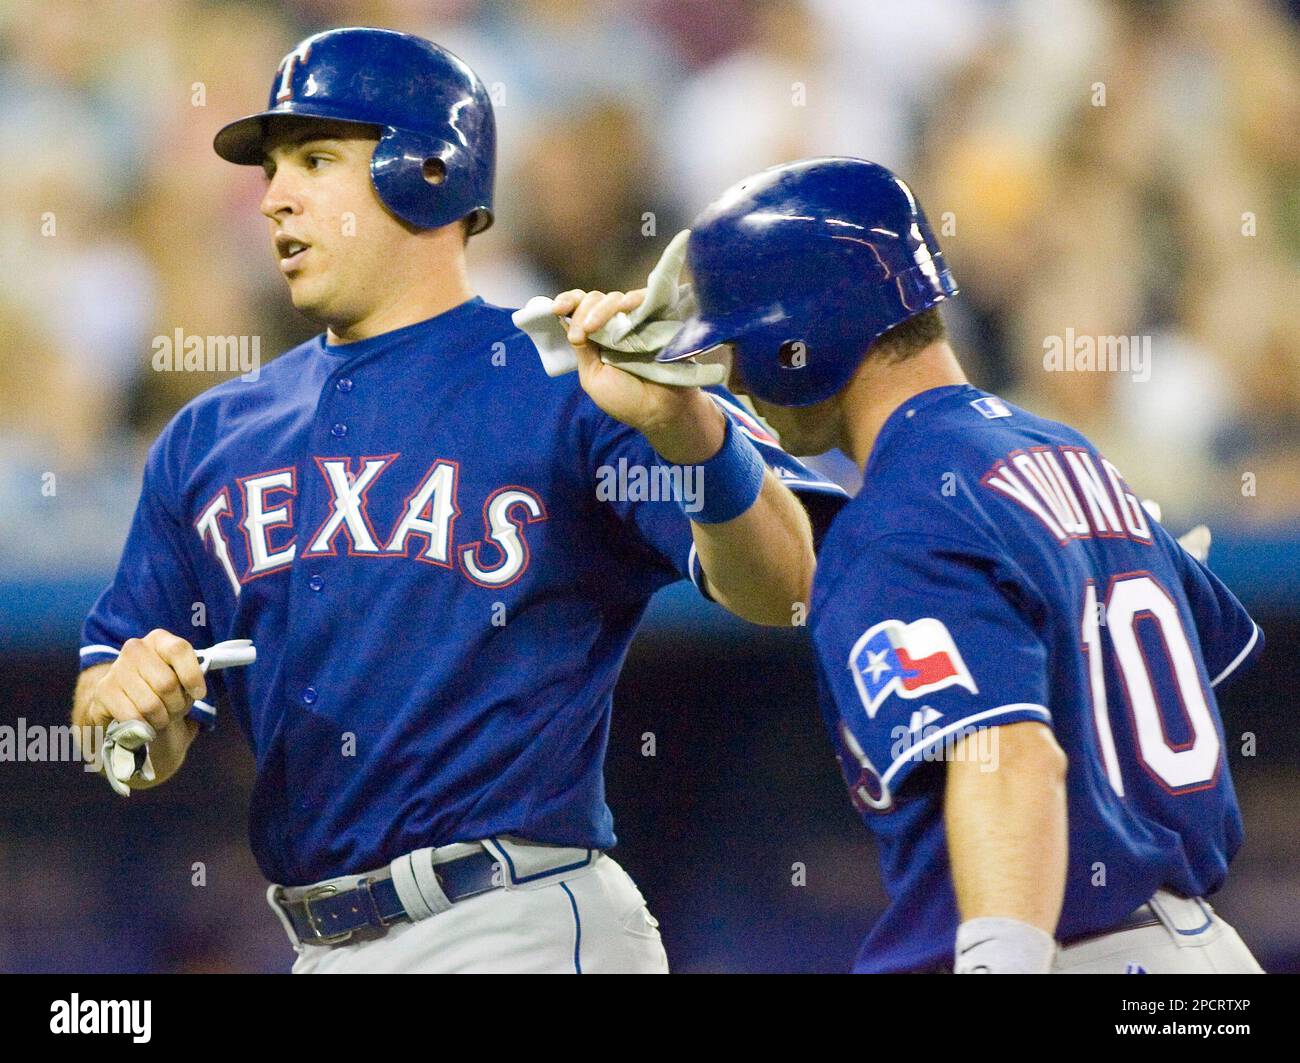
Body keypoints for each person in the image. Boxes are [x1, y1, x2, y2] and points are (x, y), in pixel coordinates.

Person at [70, 28, 845, 974]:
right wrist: (125, 710)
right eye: (274, 167)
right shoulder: (209, 436)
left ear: (425, 172)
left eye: (316, 160)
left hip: (509, 917)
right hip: (317, 943)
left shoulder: (571, 369)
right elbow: (121, 725)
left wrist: (690, 430)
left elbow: (788, 584)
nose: (275, 195)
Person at [654, 156, 1266, 974]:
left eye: (741, 343)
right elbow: (1191, 649)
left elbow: (1007, 756)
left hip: (1066, 948)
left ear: (799, 340)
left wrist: (998, 959)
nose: (733, 372)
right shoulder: (1067, 450)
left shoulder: (899, 516)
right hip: (1196, 952)